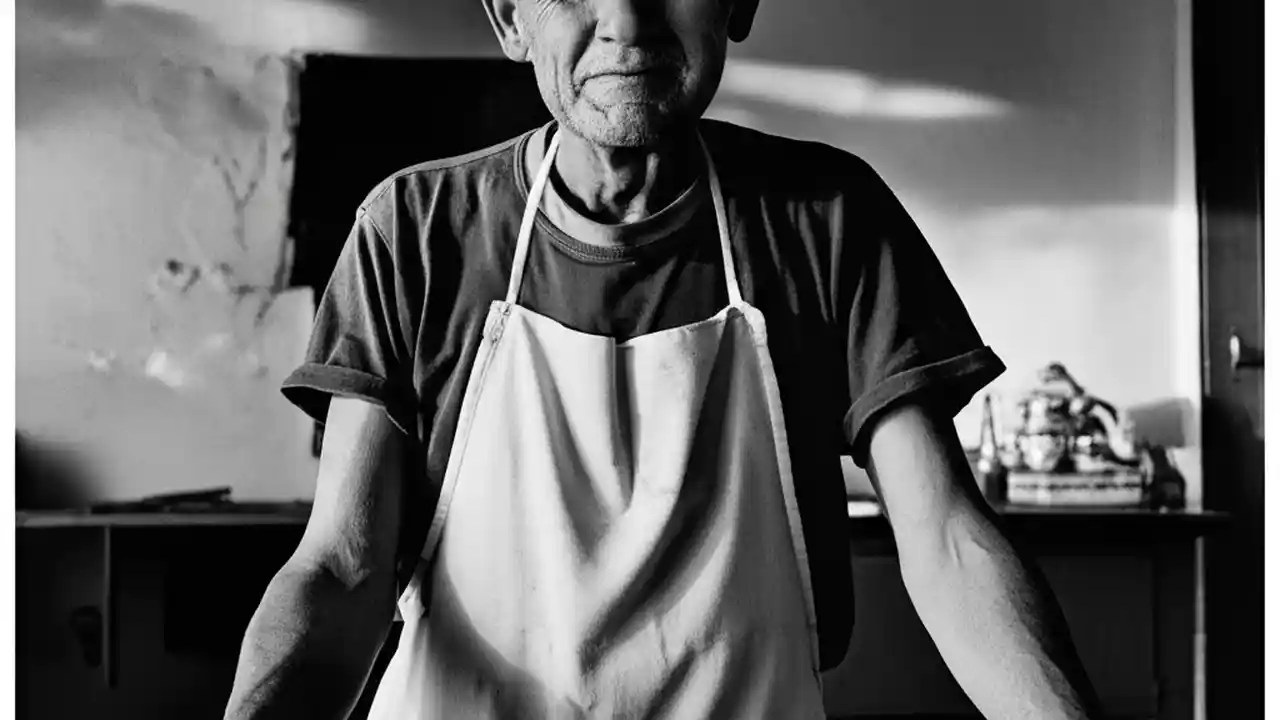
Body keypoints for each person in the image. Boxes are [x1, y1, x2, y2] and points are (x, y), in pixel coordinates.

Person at [224, 0, 1101, 717]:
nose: (627, 21)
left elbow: (946, 538)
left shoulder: (830, 219)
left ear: (740, 3)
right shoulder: (414, 231)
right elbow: (344, 567)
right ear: (509, 18)